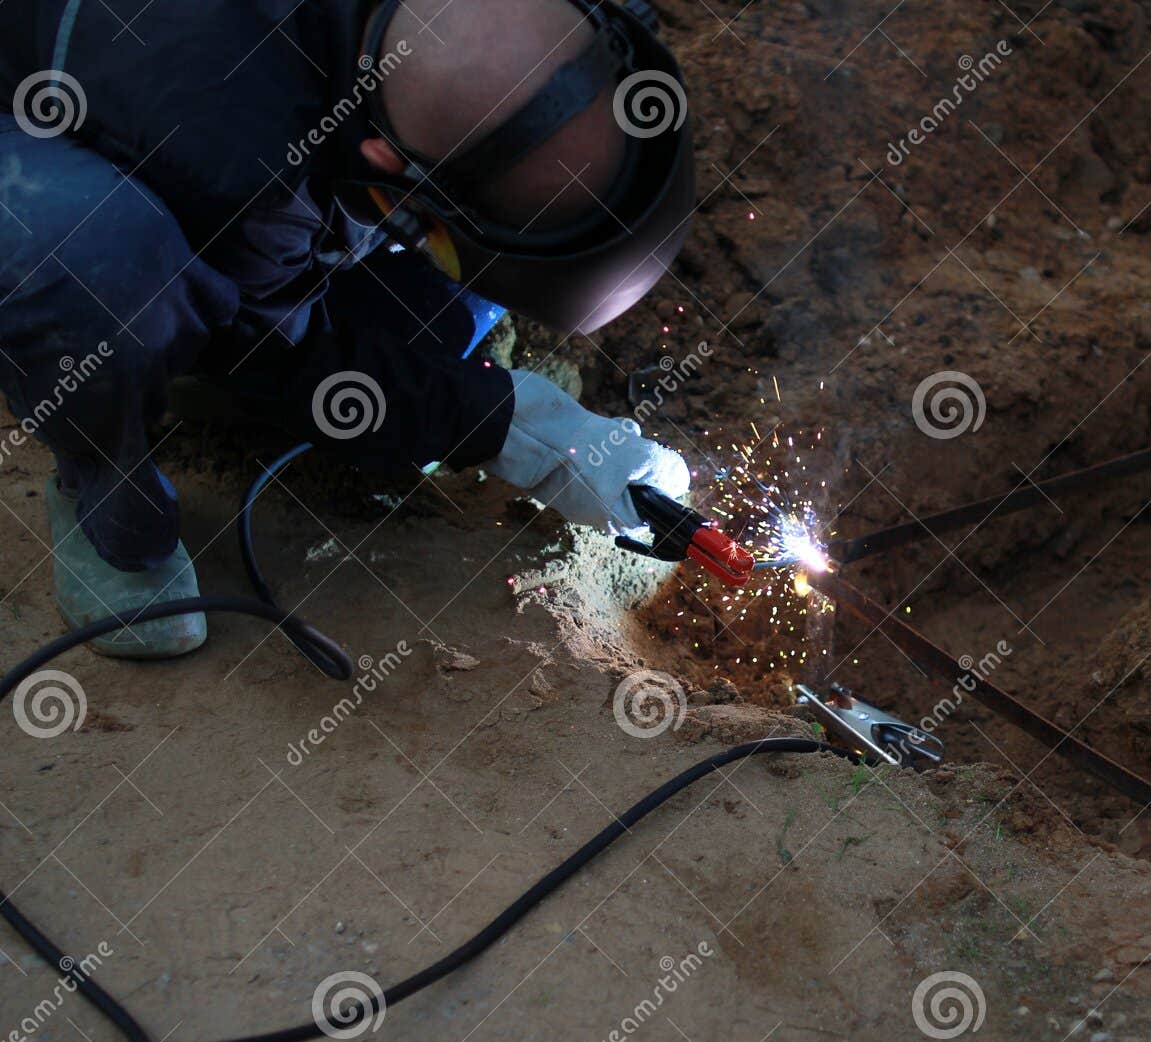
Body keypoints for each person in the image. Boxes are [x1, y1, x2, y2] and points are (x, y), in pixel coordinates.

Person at [0, 0, 694, 658]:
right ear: (382, 162)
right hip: (39, 122)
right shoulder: (241, 171)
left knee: (436, 313)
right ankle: (107, 509)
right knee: (106, 270)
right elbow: (279, 354)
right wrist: (516, 430)